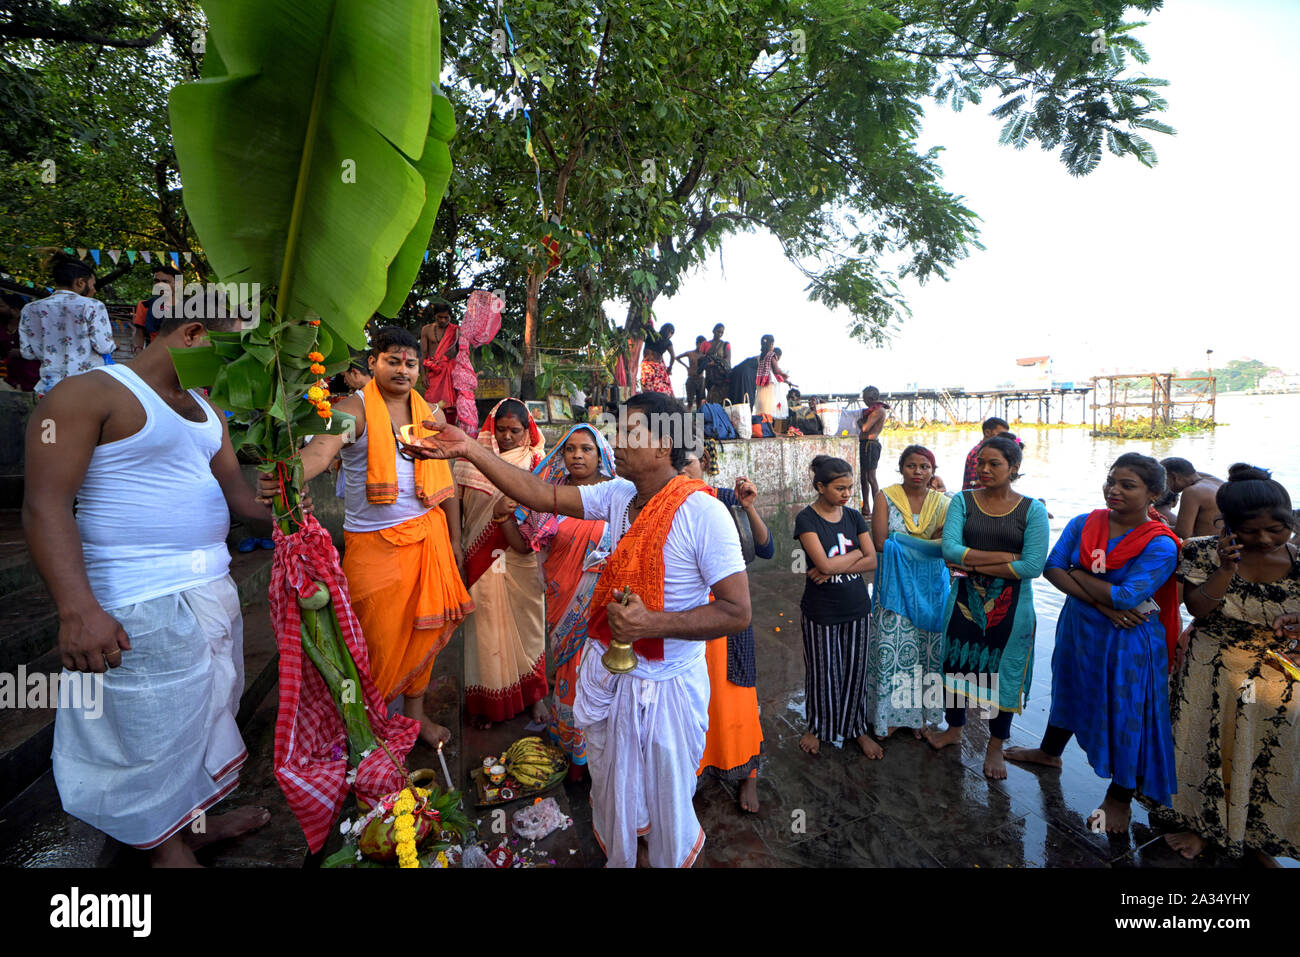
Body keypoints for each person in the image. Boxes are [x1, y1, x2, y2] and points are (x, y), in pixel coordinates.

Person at [404, 390, 749, 867]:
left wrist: (653, 622)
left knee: (667, 798)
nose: (616, 441)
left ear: (666, 444)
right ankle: (629, 853)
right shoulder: (618, 496)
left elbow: (737, 612)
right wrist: (467, 447)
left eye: (631, 432)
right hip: (612, 675)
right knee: (615, 786)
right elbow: (540, 493)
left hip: (666, 690)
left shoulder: (703, 513)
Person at [26, 295, 272, 866]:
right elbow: (44, 505)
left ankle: (194, 824)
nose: (238, 370)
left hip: (211, 590)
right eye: (232, 350)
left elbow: (238, 496)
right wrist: (76, 608)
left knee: (204, 717)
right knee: (149, 734)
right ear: (190, 332)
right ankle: (167, 852)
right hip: (135, 599)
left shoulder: (207, 411)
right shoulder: (88, 394)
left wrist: (288, 510)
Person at [258, 326, 472, 748]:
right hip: (373, 547)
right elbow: (321, 452)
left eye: (410, 363)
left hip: (428, 539)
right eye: (392, 360)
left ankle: (414, 718)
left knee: (422, 637)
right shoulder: (351, 410)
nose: (403, 370)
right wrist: (286, 475)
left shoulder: (430, 414)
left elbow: (445, 481)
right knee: (373, 642)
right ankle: (370, 727)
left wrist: (455, 538)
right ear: (372, 363)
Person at [1005, 453, 1181, 834]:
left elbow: (1129, 596)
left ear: (1153, 494)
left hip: (1128, 639)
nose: (1113, 490)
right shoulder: (1085, 522)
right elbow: (1052, 567)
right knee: (1068, 686)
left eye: (1127, 485)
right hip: (1082, 627)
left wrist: (1080, 576)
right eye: (1111, 481)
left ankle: (1119, 796)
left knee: (1126, 712)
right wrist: (1102, 602)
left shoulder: (1162, 545)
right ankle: (1049, 752)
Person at [1145, 464, 1300, 864]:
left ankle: (1254, 839)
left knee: (1266, 758)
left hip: (1278, 679)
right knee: (1207, 749)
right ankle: (1203, 827)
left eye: (1277, 529)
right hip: (1212, 672)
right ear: (1227, 526)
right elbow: (1199, 609)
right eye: (1250, 531)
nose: (1264, 539)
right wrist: (1226, 569)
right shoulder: (1200, 552)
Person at [923, 435, 1049, 779]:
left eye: (995, 464)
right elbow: (949, 551)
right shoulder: (963, 502)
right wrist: (1007, 558)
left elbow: (1033, 567)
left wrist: (974, 565)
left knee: (1003, 675)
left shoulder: (1032, 509)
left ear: (1014, 468)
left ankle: (996, 744)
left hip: (1012, 611)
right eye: (981, 463)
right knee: (955, 665)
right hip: (963, 601)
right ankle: (954, 729)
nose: (985, 470)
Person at [516, 423, 616, 777]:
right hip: (561, 599)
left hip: (601, 603)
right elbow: (522, 542)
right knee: (568, 672)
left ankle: (600, 749)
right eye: (570, 449)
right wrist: (502, 515)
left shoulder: (615, 497)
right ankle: (574, 753)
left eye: (586, 449)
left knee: (600, 671)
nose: (577, 455)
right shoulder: (549, 497)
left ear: (600, 454)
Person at [682, 450, 772, 812]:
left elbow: (766, 549)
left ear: (703, 463)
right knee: (694, 699)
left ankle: (747, 773)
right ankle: (696, 769)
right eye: (676, 462)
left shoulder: (725, 499)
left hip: (729, 616)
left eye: (688, 461)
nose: (683, 469)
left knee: (735, 697)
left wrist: (749, 507)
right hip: (687, 618)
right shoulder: (659, 506)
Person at [454, 397, 549, 728]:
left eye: (515, 430)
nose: (507, 437)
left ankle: (536, 696)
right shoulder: (468, 463)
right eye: (502, 429)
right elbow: (458, 508)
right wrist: (454, 543)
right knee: (486, 630)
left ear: (527, 431)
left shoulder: (538, 462)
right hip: (481, 560)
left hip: (522, 556)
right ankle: (489, 706)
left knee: (530, 628)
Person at [794, 455, 880, 758]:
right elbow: (822, 563)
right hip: (821, 611)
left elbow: (872, 560)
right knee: (822, 672)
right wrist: (854, 553)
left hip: (858, 606)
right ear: (820, 486)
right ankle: (818, 727)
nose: (846, 494)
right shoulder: (807, 519)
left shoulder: (854, 516)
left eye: (849, 488)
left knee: (856, 671)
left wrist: (834, 567)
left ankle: (856, 728)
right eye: (840, 488)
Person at [866, 445, 950, 742]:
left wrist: (902, 541)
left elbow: (947, 545)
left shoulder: (943, 503)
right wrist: (923, 544)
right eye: (912, 465)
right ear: (901, 468)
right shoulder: (885, 497)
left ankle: (918, 717)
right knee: (895, 649)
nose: (918, 471)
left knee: (926, 652)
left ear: (932, 471)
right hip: (894, 585)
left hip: (932, 589)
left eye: (925, 466)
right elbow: (879, 542)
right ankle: (890, 717)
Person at [19, 254, 116, 398]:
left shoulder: (30, 308)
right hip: (88, 387)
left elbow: (27, 352)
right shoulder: (93, 305)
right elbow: (104, 346)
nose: (94, 290)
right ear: (80, 282)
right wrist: (114, 344)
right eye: (93, 285)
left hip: (49, 388)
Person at [1161, 457, 1224, 539]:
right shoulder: (1216, 480)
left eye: (1163, 480)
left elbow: (1183, 534)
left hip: (1207, 547)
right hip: (1226, 543)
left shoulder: (1192, 492)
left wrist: (1164, 526)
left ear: (1174, 477)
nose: (1162, 486)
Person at [420, 302, 460, 426]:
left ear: (450, 317)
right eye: (440, 317)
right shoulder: (426, 330)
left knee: (450, 405)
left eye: (446, 318)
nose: (443, 320)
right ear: (435, 316)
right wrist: (423, 375)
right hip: (434, 372)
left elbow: (462, 354)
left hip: (450, 373)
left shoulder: (456, 331)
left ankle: (450, 429)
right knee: (432, 402)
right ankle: (432, 430)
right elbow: (423, 353)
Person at [131, 263, 183, 353]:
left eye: (165, 282)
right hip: (154, 356)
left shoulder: (188, 308)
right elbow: (139, 334)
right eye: (156, 281)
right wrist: (138, 351)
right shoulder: (145, 305)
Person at [855, 386, 889, 511]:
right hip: (865, 444)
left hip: (870, 445)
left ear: (871, 397)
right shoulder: (873, 410)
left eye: (865, 398)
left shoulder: (878, 410)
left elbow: (865, 428)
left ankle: (878, 509)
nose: (864, 401)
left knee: (871, 477)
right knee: (863, 478)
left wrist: (859, 422)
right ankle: (866, 508)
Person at [0, 293, 40, 392]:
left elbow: (45, 350)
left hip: (29, 383)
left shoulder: (31, 329)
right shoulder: (2, 328)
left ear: (16, 311)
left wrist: (22, 352)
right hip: (7, 380)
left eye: (1, 306)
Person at [963, 417, 1009, 490]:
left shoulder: (990, 451)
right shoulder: (979, 453)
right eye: (1001, 435)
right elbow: (977, 483)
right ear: (987, 432)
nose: (1005, 439)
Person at [753, 334, 791, 420]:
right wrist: (783, 375)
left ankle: (762, 427)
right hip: (768, 384)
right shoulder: (771, 355)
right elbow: (776, 370)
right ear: (771, 344)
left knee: (761, 408)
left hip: (760, 384)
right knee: (768, 408)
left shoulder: (760, 357)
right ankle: (769, 428)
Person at [638, 321, 675, 396]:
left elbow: (645, 325)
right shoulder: (667, 342)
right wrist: (670, 368)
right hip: (658, 368)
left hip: (647, 366)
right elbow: (673, 356)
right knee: (662, 392)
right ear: (670, 332)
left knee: (648, 391)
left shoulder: (652, 333)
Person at [676, 335, 710, 410]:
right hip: (691, 378)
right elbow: (677, 358)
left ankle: (699, 421)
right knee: (690, 402)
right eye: (701, 344)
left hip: (701, 379)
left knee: (700, 402)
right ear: (697, 344)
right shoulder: (690, 353)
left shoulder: (705, 355)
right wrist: (686, 367)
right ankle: (688, 420)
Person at [702, 323, 732, 405]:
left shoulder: (726, 344)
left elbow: (727, 360)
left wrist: (715, 363)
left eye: (722, 332)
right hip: (710, 377)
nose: (720, 334)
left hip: (721, 378)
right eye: (718, 331)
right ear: (713, 331)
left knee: (721, 402)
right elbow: (701, 358)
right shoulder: (706, 344)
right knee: (710, 401)